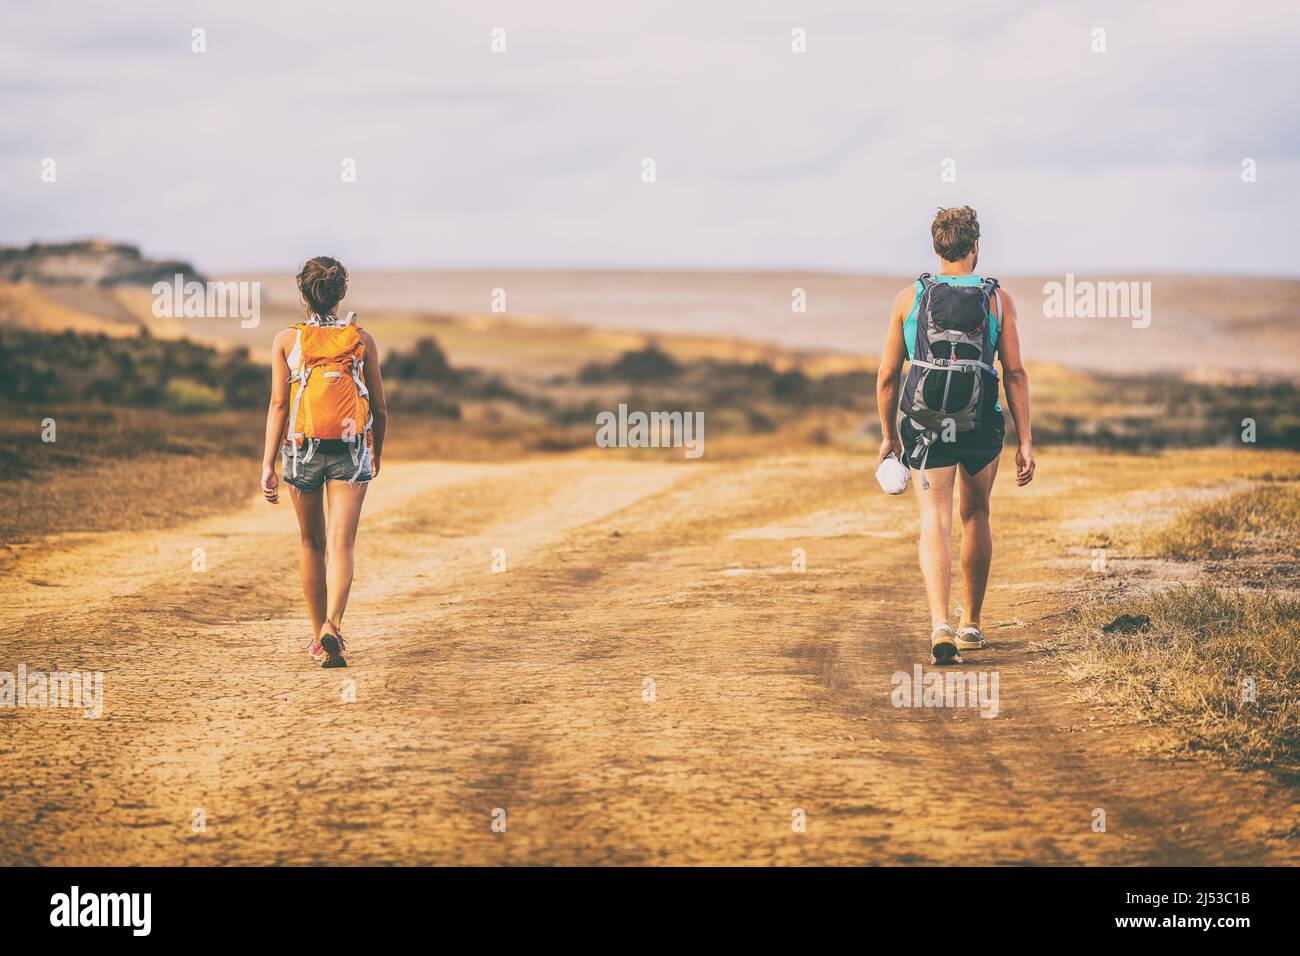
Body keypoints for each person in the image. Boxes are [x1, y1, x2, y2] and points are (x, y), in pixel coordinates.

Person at [876, 207, 1035, 664]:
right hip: (981, 420)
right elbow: (1016, 372)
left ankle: (939, 623)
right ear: (976, 247)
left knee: (935, 520)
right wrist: (1024, 438)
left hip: (926, 426)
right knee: (976, 513)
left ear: (936, 247)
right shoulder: (998, 301)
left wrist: (890, 436)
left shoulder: (909, 299)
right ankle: (971, 625)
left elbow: (888, 375)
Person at [260, 256, 388, 668]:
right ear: (342, 294)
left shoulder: (285, 340)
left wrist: (267, 464)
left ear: (302, 294)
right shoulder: (361, 339)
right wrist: (375, 452)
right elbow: (381, 409)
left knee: (310, 544)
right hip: (352, 450)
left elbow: (280, 404)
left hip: (301, 448)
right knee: (341, 543)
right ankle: (334, 624)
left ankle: (318, 637)